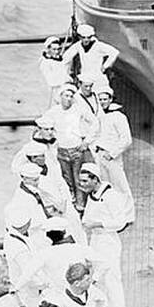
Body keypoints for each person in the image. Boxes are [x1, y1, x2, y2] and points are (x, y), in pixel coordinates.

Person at [78, 164, 131, 307]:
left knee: (112, 282)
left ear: (95, 179)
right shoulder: (93, 195)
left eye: (85, 181)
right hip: (96, 242)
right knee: (101, 283)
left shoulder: (111, 196)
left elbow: (120, 221)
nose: (82, 185)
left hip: (108, 242)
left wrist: (97, 224)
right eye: (80, 181)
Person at [42, 84, 98, 212]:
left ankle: (81, 205)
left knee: (78, 179)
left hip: (76, 150)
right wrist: (50, 139)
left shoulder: (78, 109)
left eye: (71, 96)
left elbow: (95, 123)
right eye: (66, 96)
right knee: (66, 179)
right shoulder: (53, 112)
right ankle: (70, 204)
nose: (69, 98)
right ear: (60, 96)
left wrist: (86, 142)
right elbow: (42, 125)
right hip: (61, 151)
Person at [92, 83, 134, 212]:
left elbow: (126, 140)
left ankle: (127, 212)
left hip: (111, 157)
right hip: (100, 155)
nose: (102, 102)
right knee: (105, 185)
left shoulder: (119, 117)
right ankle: (113, 211)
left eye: (105, 99)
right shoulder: (101, 115)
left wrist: (112, 153)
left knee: (120, 185)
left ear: (110, 99)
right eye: (100, 99)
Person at [39, 37, 69, 106]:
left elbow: (64, 72)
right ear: (48, 49)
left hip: (61, 90)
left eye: (58, 49)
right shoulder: (45, 62)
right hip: (51, 93)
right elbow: (51, 81)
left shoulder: (59, 60)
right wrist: (65, 79)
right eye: (54, 49)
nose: (57, 52)